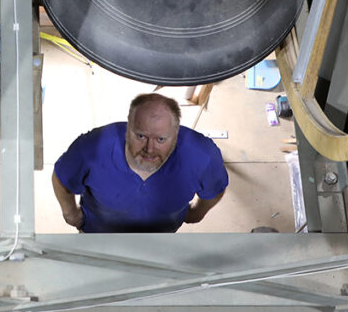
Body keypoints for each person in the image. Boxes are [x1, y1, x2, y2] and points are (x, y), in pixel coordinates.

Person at [51, 93, 228, 233]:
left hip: (161, 237)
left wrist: (197, 213)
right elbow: (62, 179)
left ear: (176, 135)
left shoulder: (203, 156)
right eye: (141, 136)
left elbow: (215, 190)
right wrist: (71, 214)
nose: (149, 149)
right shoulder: (92, 147)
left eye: (161, 139)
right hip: (98, 235)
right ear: (128, 130)